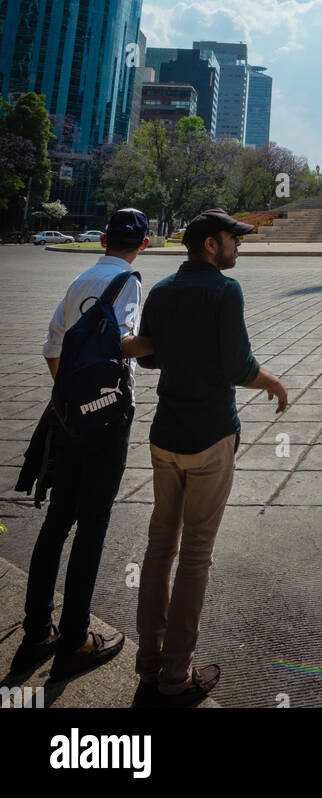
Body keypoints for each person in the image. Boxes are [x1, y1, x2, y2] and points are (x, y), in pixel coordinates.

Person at [133, 210, 288, 706]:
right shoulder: (225, 292)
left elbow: (150, 356)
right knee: (196, 554)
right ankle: (178, 676)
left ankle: (148, 665)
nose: (237, 247)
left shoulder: (159, 291)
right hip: (211, 437)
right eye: (231, 240)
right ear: (208, 246)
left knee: (161, 547)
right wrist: (273, 382)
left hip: (164, 437)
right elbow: (239, 366)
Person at [10, 209, 152, 680]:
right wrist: (162, 341)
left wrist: (69, 394)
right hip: (108, 421)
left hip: (68, 419)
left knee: (57, 523)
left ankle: (38, 630)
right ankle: (76, 640)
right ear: (145, 245)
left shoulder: (80, 280)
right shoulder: (128, 282)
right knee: (93, 525)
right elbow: (123, 343)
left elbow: (52, 346)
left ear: (102, 241)